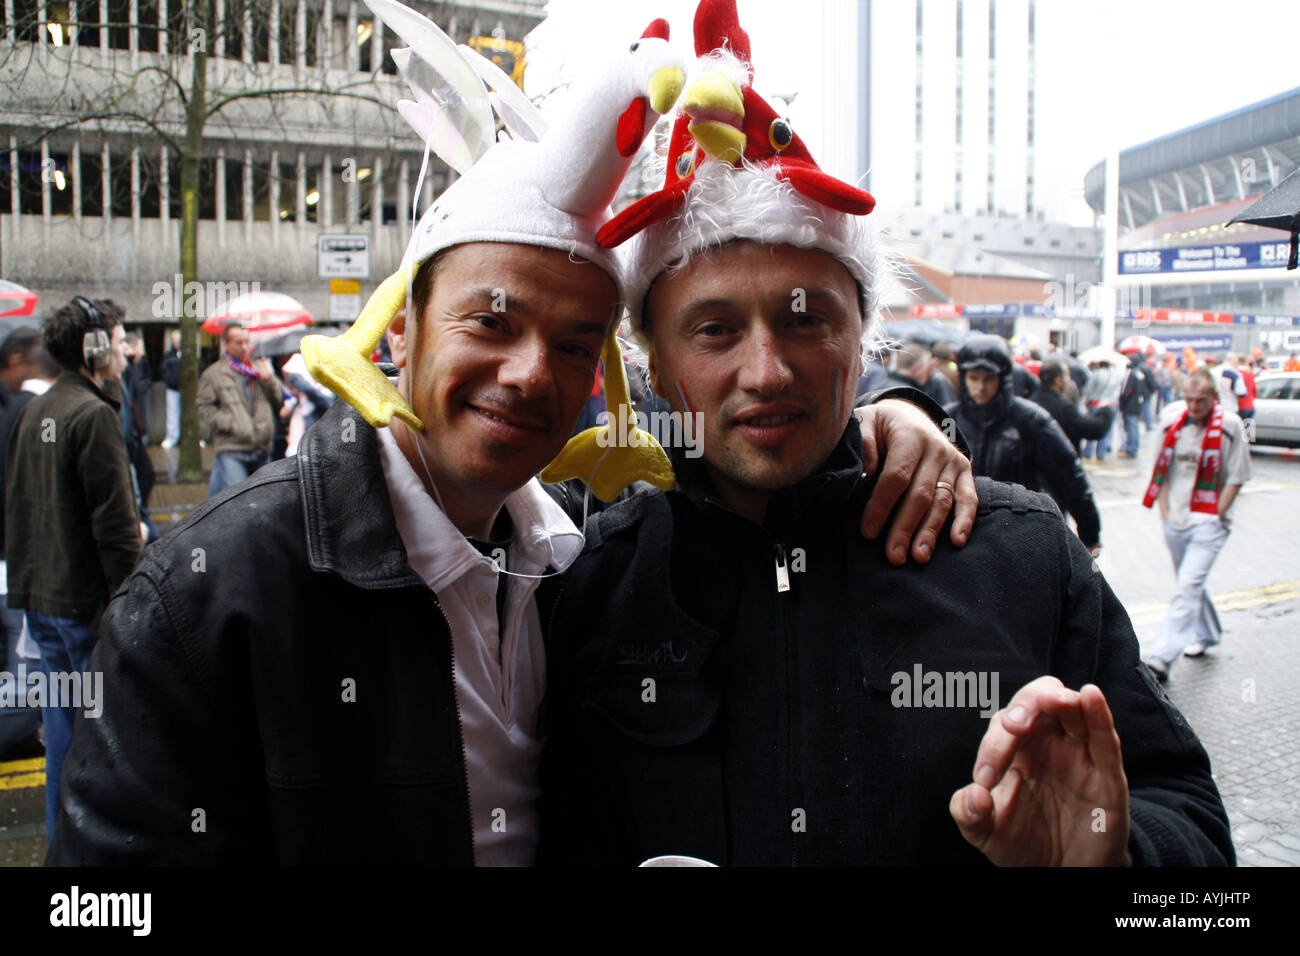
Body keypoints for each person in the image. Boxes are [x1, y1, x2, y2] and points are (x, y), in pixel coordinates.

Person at [46, 10, 969, 866]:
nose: (532, 372)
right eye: (491, 323)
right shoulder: (215, 591)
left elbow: (759, 416)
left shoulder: (581, 560)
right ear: (400, 329)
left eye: (574, 343)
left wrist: (889, 414)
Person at [538, 0, 1230, 867]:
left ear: (862, 337)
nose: (767, 371)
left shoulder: (1020, 559)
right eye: (715, 330)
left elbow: (1199, 844)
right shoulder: (589, 582)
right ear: (651, 357)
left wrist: (1113, 856)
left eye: (806, 322)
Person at [4, 297, 143, 839]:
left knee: (63, 736)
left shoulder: (35, 411)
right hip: (84, 605)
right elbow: (114, 530)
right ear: (96, 348)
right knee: (106, 740)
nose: (129, 352)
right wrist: (129, 606)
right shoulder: (92, 415)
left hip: (42, 601)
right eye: (120, 339)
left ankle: (62, 845)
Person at [946, 335, 1103, 554]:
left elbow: (1068, 474)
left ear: (1003, 378)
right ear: (964, 377)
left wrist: (1089, 532)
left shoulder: (1030, 419)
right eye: (973, 378)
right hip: (962, 537)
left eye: (988, 378)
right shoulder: (947, 419)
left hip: (1020, 536)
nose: (980, 387)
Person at [1141, 370, 1251, 683]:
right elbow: (1160, 470)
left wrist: (1216, 513)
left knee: (1188, 585)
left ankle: (1162, 658)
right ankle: (1209, 633)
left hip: (1209, 522)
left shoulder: (1230, 426)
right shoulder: (1170, 424)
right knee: (1191, 584)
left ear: (1214, 398)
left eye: (1201, 400)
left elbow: (1238, 476)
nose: (1194, 406)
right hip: (1175, 518)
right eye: (1189, 399)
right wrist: (1164, 511)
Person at [196, 324, 285, 496]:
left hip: (261, 446)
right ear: (226, 343)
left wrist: (269, 380)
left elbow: (277, 400)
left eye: (247, 342)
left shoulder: (259, 369)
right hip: (232, 447)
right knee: (237, 498)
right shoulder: (214, 374)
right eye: (238, 342)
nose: (244, 347)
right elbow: (204, 408)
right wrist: (229, 423)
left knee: (261, 498)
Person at [1030, 360, 1114, 449]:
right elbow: (1094, 430)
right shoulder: (1064, 408)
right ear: (1058, 381)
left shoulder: (1031, 402)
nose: (1069, 380)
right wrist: (1105, 409)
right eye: (1067, 376)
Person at [1117, 351, 1153, 459]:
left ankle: (1131, 449)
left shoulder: (1132, 374)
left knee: (1132, 427)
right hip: (1137, 403)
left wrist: (1123, 400)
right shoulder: (1139, 373)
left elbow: (1128, 390)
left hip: (1130, 404)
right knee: (1134, 427)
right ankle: (1133, 447)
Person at [160, 329, 182, 448]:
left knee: (189, 413)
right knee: (172, 414)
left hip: (186, 389)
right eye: (175, 340)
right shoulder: (168, 356)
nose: (177, 342)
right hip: (172, 388)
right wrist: (169, 381)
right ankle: (172, 437)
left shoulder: (188, 354)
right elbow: (163, 370)